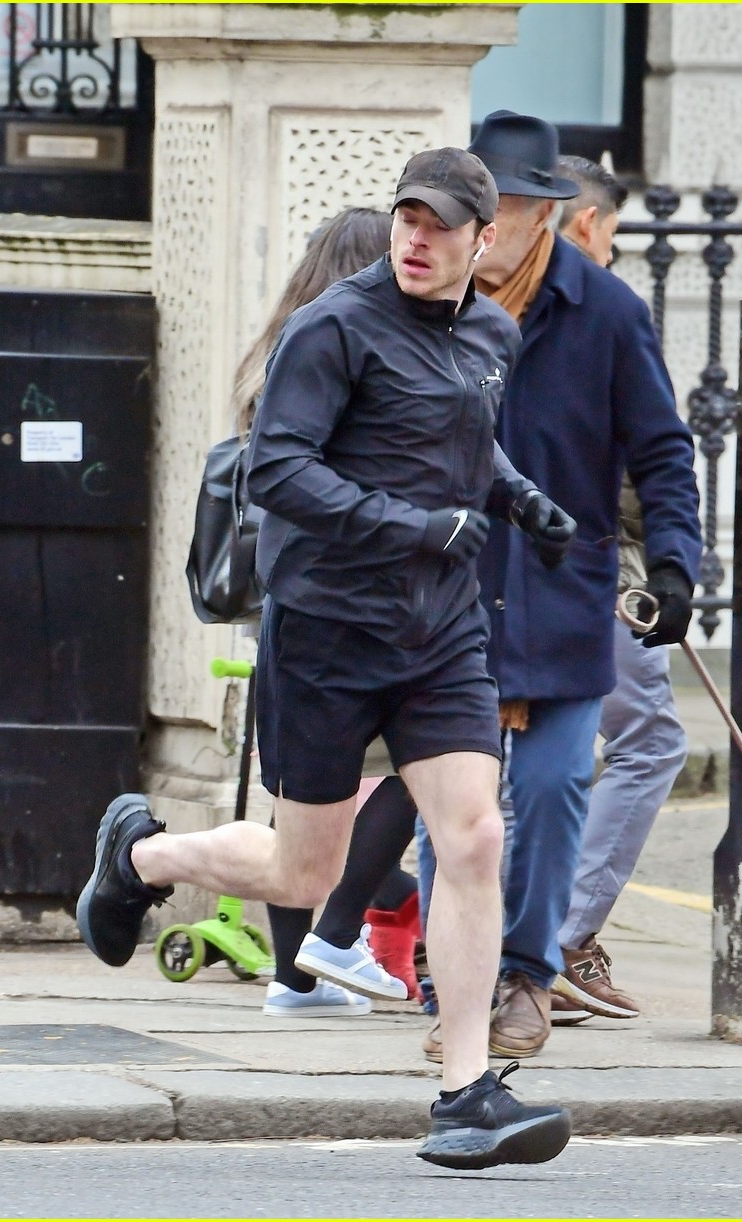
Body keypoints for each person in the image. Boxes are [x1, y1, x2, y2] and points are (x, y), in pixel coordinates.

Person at [75, 146, 576, 1168]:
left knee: (474, 834)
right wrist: (414, 526)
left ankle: (465, 1094)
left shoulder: (491, 331)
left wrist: (518, 496)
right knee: (306, 871)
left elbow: (464, 434)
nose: (416, 239)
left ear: (484, 240)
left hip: (440, 634)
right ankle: (140, 857)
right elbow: (277, 470)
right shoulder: (333, 328)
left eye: (440, 226)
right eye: (407, 219)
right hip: (327, 633)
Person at [417, 112, 702, 1062]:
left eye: (504, 208)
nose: (483, 227)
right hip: (444, 587)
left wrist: (675, 564)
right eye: (474, 207)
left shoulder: (608, 312)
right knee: (453, 808)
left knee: (549, 790)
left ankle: (528, 977)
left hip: (561, 589)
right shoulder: (417, 302)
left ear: (548, 214)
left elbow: (661, 451)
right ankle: (455, 985)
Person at [230, 206, 422, 1018]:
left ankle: (294, 977)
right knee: (428, 761)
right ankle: (339, 930)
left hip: (287, 595)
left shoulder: (274, 351)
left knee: (300, 791)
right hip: (364, 596)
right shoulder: (365, 354)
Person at [549, 155, 689, 1024]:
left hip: (513, 572)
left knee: (503, 760)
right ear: (589, 225)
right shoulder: (606, 314)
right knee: (649, 741)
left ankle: (496, 947)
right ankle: (558, 935)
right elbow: (648, 461)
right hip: (590, 570)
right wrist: (661, 565)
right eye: (612, 233)